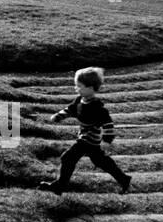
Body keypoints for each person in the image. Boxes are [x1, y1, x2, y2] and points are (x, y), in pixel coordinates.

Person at [37, 67, 132, 195]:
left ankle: (60, 185)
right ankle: (124, 179)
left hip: (90, 138)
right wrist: (58, 116)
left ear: (91, 88)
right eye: (76, 86)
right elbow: (70, 109)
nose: (77, 89)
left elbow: (108, 124)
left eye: (80, 86)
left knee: (68, 157)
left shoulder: (97, 107)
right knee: (100, 161)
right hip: (84, 136)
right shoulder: (79, 100)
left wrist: (107, 140)